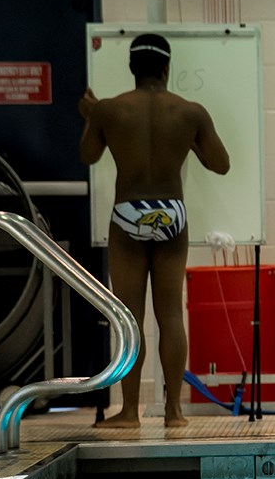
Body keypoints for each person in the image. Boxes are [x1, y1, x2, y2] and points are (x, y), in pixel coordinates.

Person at [79, 33, 230, 428]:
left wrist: (92, 118)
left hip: (128, 213)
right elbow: (221, 164)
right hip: (171, 214)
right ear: (166, 69)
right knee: (170, 315)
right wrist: (190, 140)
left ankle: (129, 412)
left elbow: (87, 155)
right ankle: (174, 412)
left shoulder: (110, 110)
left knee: (129, 317)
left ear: (132, 69)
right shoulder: (189, 112)